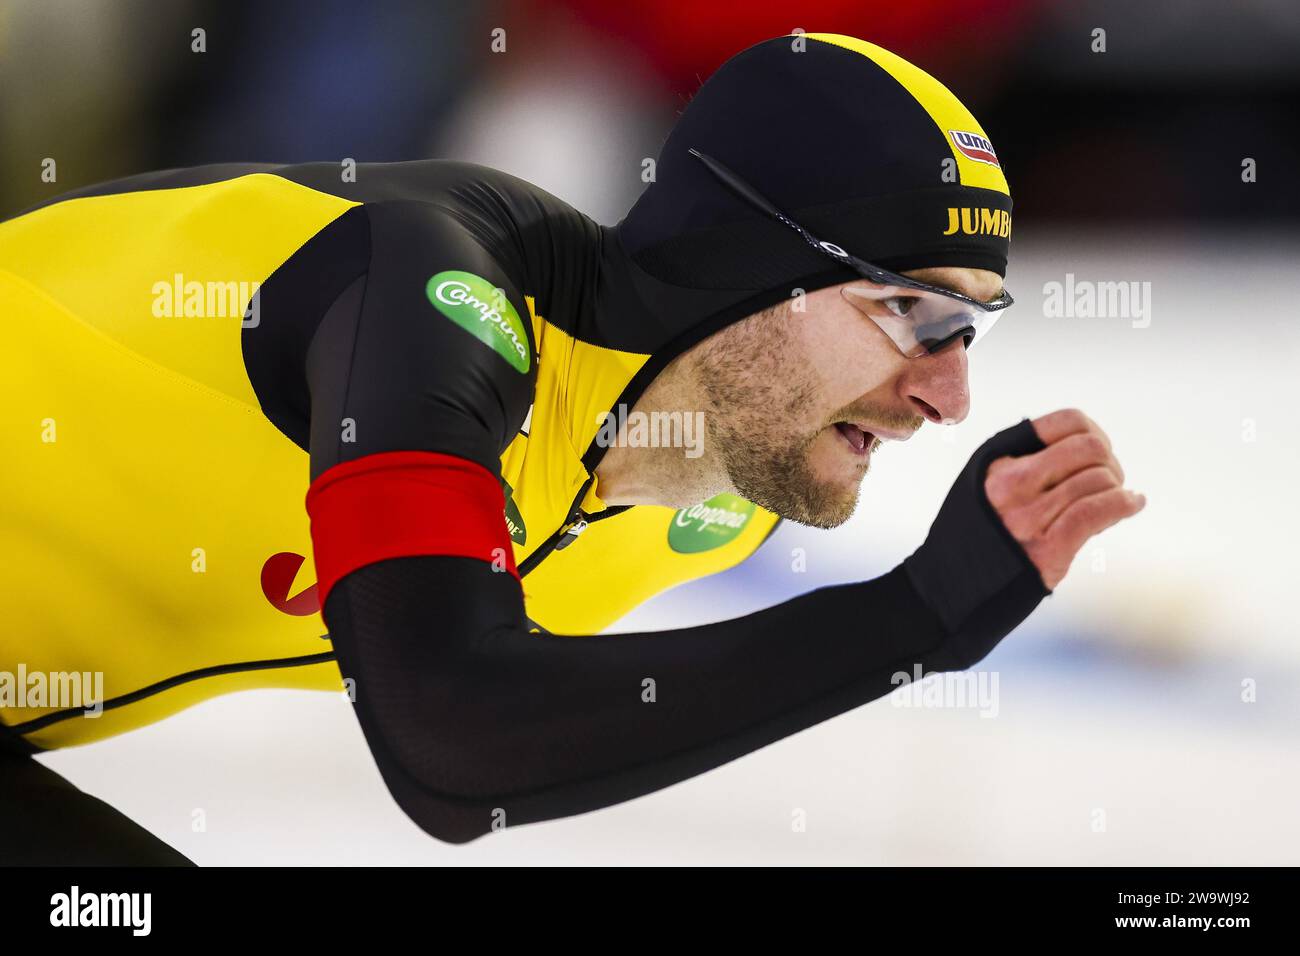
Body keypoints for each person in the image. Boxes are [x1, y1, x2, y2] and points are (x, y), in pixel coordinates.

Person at [0, 33, 1142, 863]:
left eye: (970, 331)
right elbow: (450, 733)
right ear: (755, 264)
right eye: (912, 312)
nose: (949, 394)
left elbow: (481, 755)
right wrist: (913, 617)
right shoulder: (425, 289)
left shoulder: (713, 502)